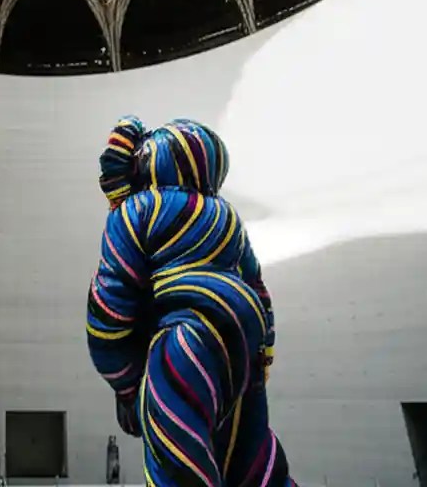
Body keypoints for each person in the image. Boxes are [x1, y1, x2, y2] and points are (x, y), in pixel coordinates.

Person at [86, 116, 294, 486]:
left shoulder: (136, 212)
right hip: (245, 341)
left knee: (180, 461)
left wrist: (126, 382)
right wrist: (264, 354)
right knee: (255, 458)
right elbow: (259, 288)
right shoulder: (227, 216)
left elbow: (109, 304)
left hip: (184, 341)